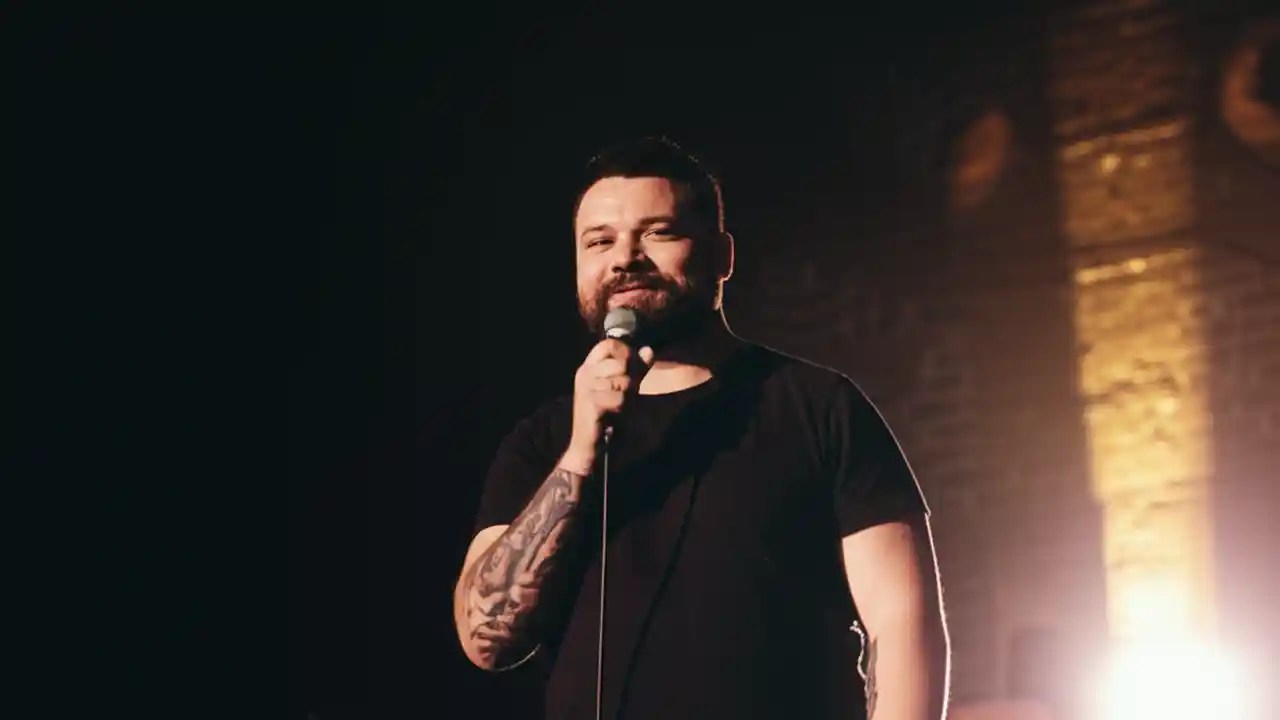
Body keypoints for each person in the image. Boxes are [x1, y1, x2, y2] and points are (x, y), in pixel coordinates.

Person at [452, 136, 950, 719]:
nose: (625, 258)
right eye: (599, 241)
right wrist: (581, 452)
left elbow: (902, 624)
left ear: (722, 256)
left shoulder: (819, 408)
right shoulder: (545, 440)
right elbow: (486, 640)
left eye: (658, 233)